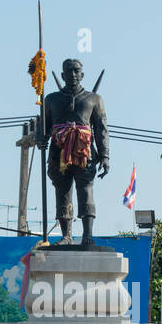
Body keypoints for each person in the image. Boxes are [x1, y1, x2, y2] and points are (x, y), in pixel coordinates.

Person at [38, 59, 109, 246]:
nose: (73, 74)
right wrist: (40, 138)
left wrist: (105, 155)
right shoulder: (51, 99)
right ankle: (66, 235)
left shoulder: (94, 99)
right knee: (62, 191)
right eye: (68, 71)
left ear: (82, 74)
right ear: (62, 75)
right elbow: (43, 126)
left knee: (85, 190)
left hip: (85, 153)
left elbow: (101, 129)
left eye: (77, 71)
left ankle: (88, 235)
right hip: (58, 152)